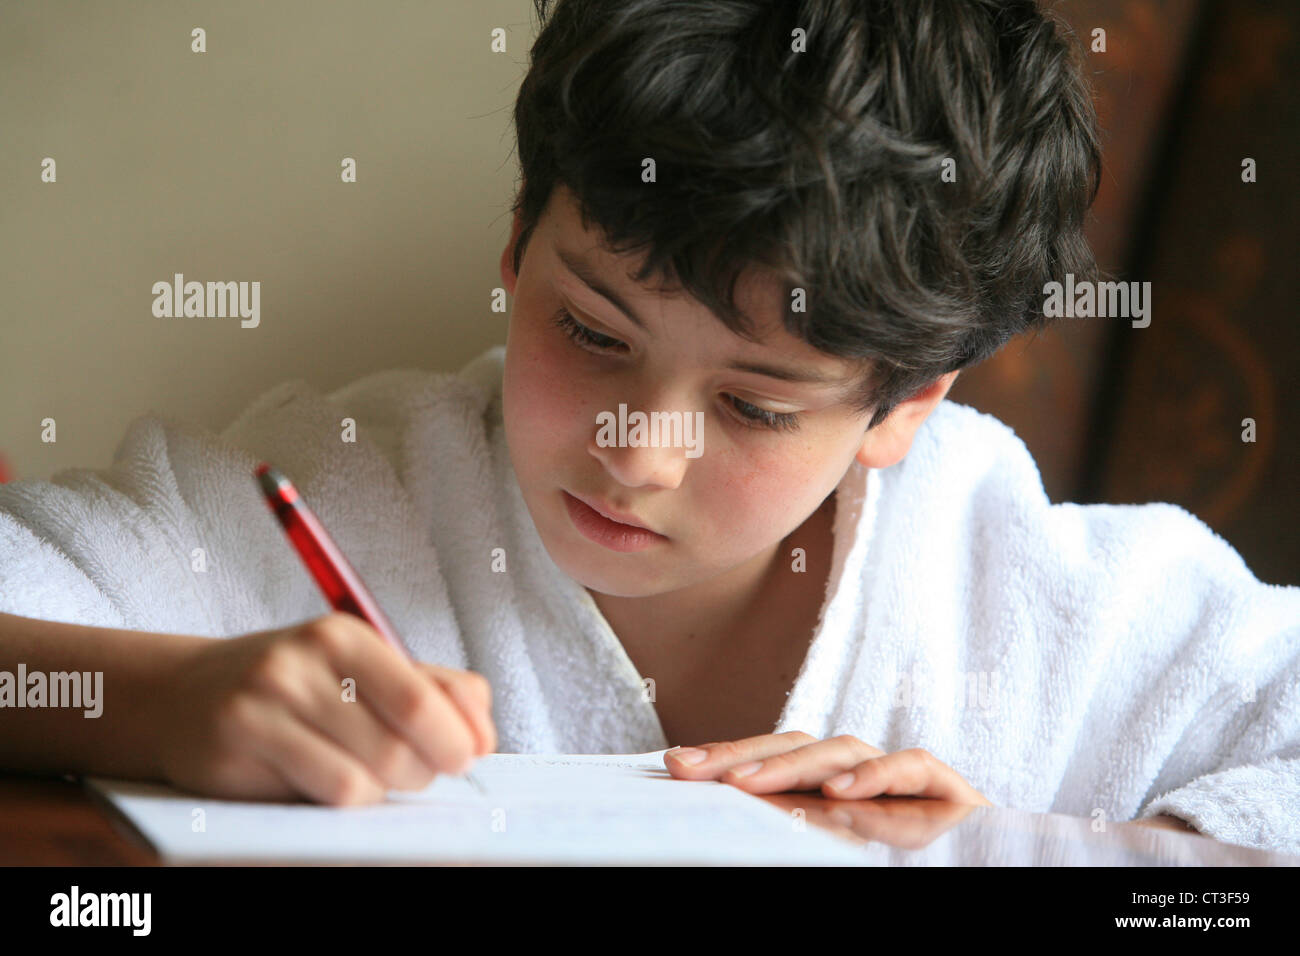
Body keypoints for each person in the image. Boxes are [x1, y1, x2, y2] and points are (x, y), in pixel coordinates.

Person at [1, 0, 1296, 853]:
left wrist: (1006, 849)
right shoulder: (337, 491)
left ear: (907, 406)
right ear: (518, 243)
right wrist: (158, 703)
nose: (636, 447)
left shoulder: (1048, 598)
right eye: (594, 333)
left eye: (754, 404)